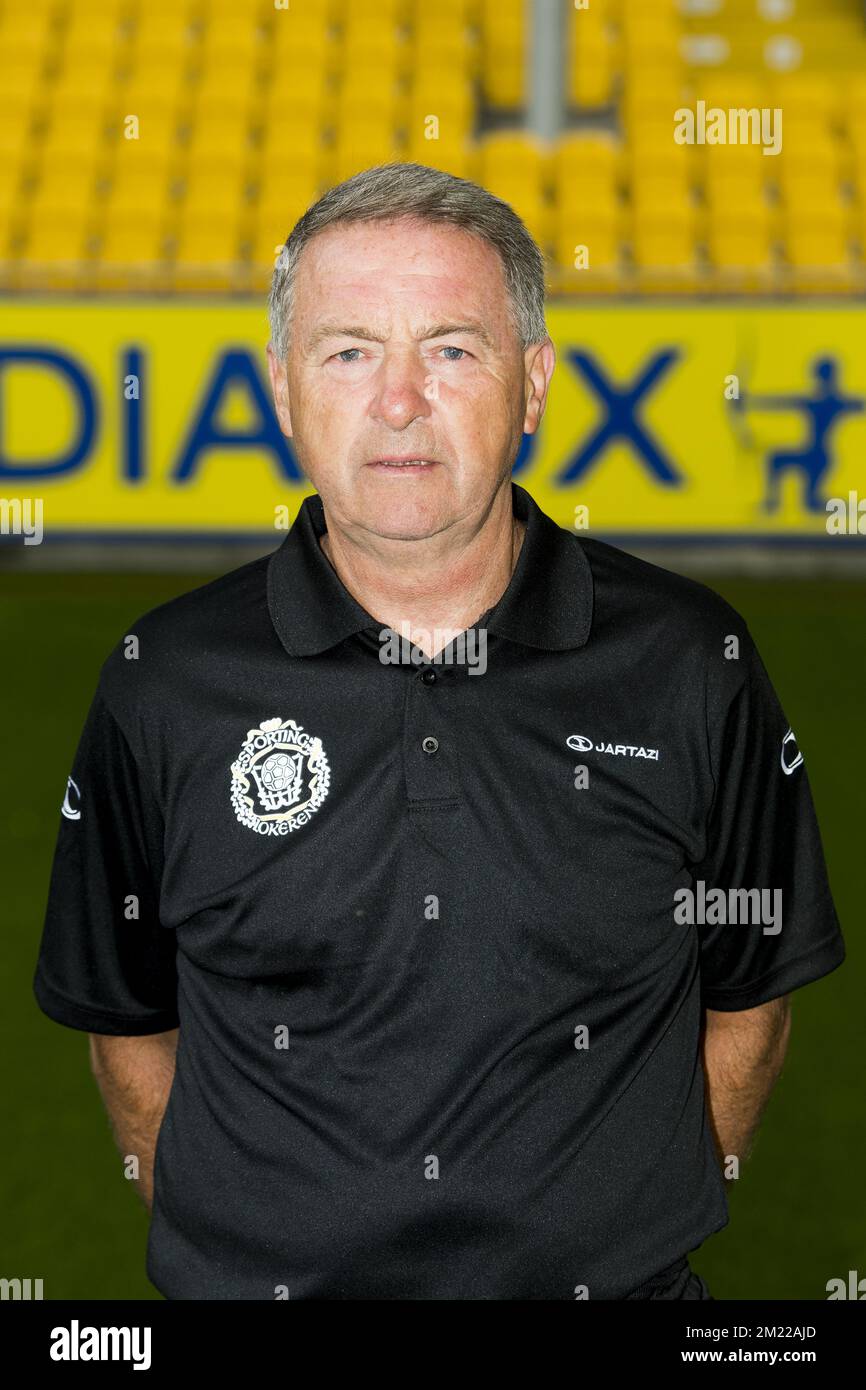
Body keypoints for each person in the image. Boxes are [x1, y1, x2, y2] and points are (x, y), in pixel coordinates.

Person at [33, 163, 845, 1300]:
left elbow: (751, 989)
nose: (399, 400)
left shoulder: (686, 662)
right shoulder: (161, 681)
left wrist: (620, 1235)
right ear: (281, 388)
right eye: (349, 350)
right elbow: (126, 1016)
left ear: (533, 385)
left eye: (452, 348)